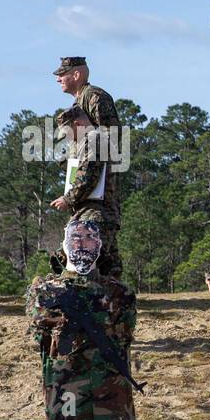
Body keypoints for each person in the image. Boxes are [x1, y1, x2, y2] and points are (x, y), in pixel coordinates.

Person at [25, 213, 138, 420]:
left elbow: (124, 337)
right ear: (64, 246)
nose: (81, 242)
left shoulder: (120, 293)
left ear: (99, 245)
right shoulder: (44, 290)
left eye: (89, 237)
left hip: (110, 402)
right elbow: (43, 330)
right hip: (65, 398)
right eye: (75, 237)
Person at [54, 57, 124, 278]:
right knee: (104, 256)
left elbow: (107, 143)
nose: (58, 79)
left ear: (77, 75)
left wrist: (74, 193)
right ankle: (112, 299)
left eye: (62, 74)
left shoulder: (94, 97)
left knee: (87, 250)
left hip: (97, 197)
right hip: (90, 196)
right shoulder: (80, 102)